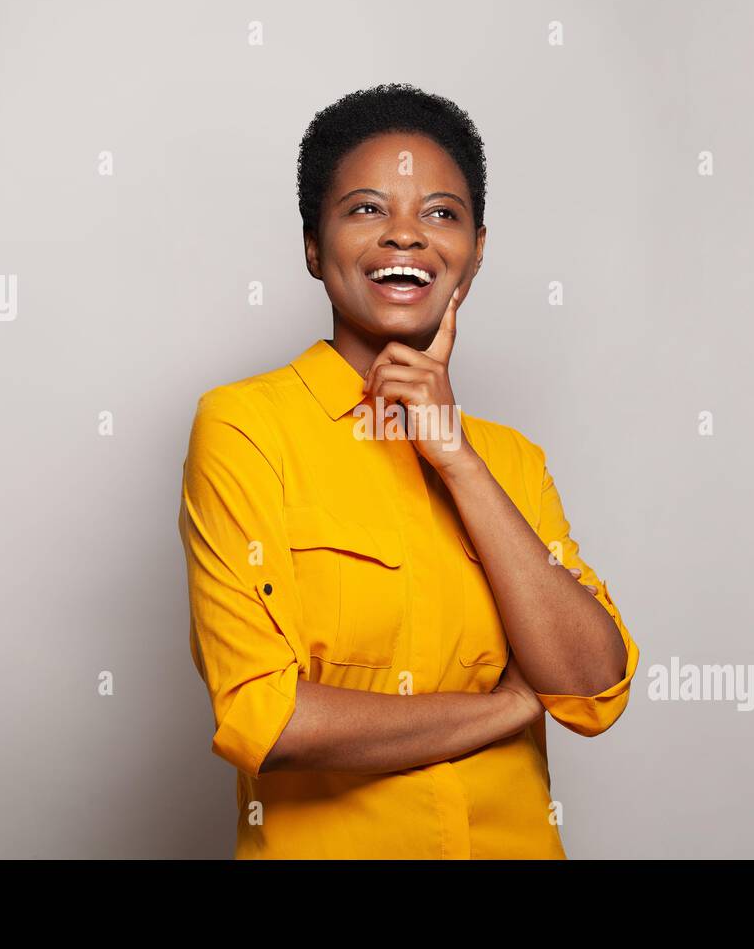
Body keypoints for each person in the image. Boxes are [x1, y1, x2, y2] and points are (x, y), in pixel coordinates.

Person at [178, 83, 640, 858]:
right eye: (365, 209)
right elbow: (271, 718)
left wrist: (455, 457)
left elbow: (593, 688)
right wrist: (508, 708)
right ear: (313, 247)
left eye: (440, 213)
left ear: (476, 251)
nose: (405, 237)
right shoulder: (246, 429)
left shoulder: (512, 461)